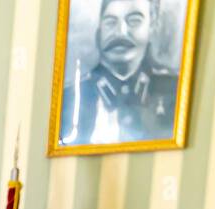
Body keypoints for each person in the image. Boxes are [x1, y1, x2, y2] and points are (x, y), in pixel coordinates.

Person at [60, 0, 180, 146]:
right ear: (99, 31)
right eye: (110, 22)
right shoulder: (69, 98)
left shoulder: (175, 89)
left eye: (134, 21)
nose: (120, 32)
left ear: (152, 26)